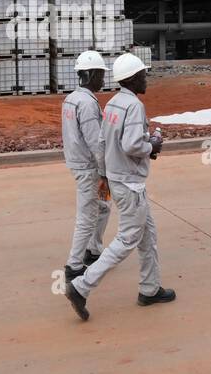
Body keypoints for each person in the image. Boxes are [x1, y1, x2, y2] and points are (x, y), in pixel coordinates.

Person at [65, 52, 173, 322]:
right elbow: (132, 145)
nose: (146, 78)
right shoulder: (133, 106)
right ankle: (81, 286)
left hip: (119, 179)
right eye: (144, 74)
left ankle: (150, 289)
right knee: (127, 239)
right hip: (130, 184)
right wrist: (152, 145)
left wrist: (105, 174)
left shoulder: (113, 103)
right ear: (133, 78)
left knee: (148, 235)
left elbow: (102, 143)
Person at [61, 51, 113, 282]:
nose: (103, 80)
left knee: (103, 207)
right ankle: (74, 265)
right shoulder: (88, 104)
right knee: (87, 215)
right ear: (90, 74)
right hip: (89, 167)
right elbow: (95, 143)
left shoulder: (71, 98)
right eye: (101, 75)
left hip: (78, 162)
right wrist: (105, 172)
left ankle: (93, 250)